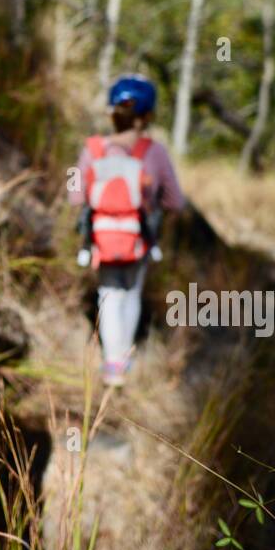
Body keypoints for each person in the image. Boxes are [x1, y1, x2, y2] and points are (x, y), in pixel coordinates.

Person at [70, 74, 183, 386]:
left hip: (100, 238)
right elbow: (175, 201)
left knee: (108, 293)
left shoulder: (92, 148)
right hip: (139, 240)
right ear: (147, 116)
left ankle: (111, 363)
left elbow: (75, 194)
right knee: (130, 294)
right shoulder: (154, 152)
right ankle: (123, 359)